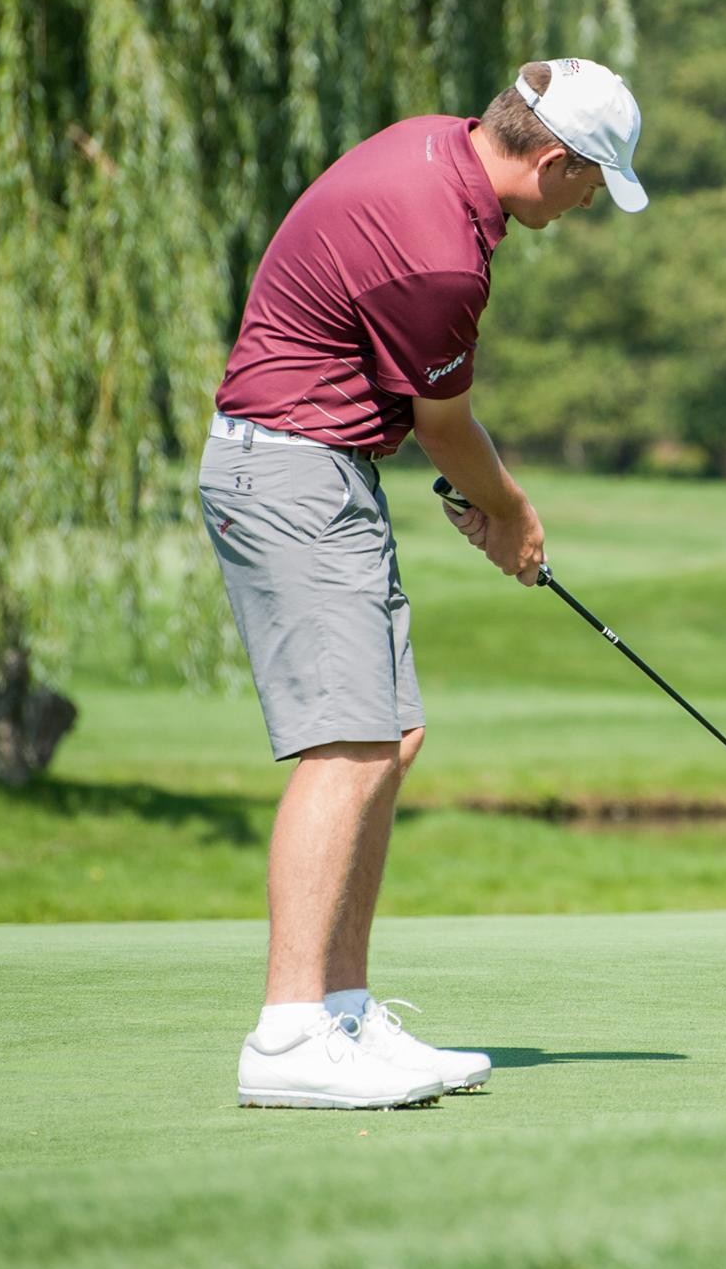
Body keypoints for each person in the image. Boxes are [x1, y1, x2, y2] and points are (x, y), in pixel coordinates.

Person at [202, 59, 648, 1108]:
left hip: (322, 465)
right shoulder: (443, 253)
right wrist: (510, 510)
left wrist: (467, 489)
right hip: (290, 473)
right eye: (591, 183)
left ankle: (343, 1014)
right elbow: (446, 425)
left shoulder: (429, 147)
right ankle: (285, 1039)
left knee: (387, 738)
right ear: (551, 159)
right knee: (347, 745)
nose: (589, 204)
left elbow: (395, 390)